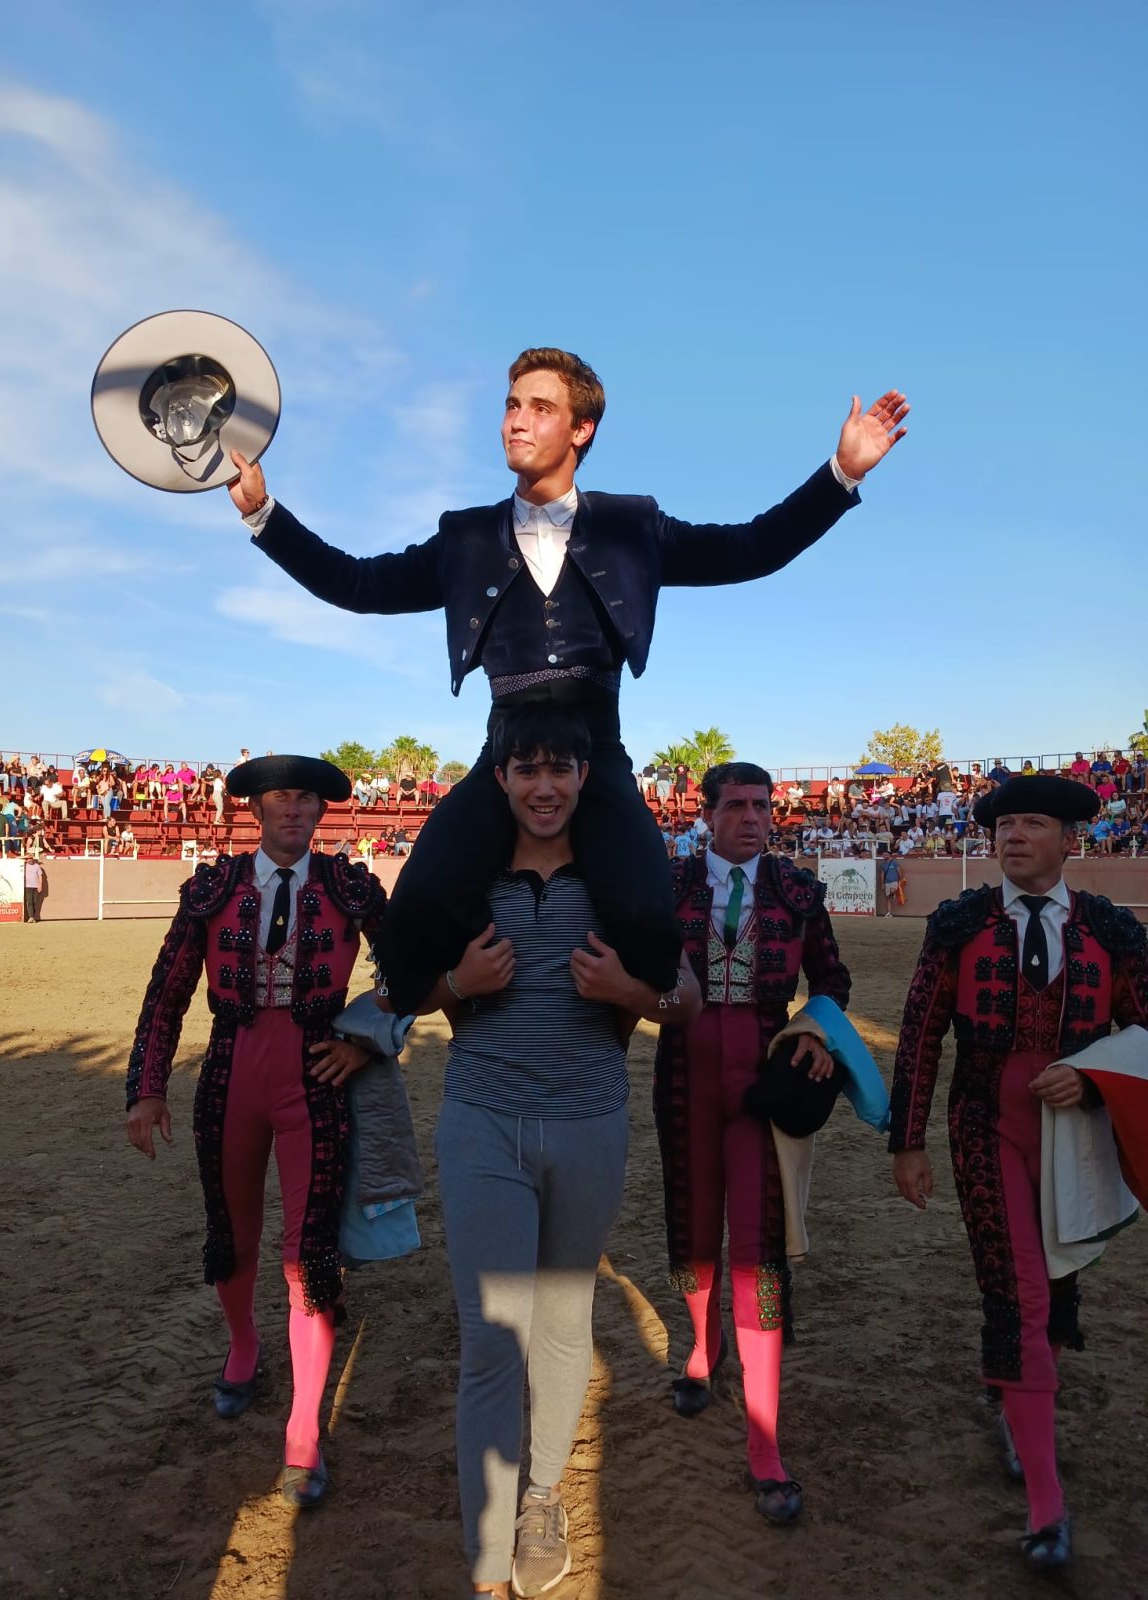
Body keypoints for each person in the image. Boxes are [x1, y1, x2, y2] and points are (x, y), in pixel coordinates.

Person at [228, 348, 908, 1016]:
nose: (516, 420)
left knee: (645, 914)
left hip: (596, 748)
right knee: (417, 907)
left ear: (581, 429)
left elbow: (749, 547)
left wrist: (840, 475)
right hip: (505, 750)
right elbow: (356, 583)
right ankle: (430, 1017)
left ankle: (614, 1027)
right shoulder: (465, 536)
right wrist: (264, 514)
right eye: (511, 405)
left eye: (540, 407)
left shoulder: (632, 524)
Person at [427, 705, 700, 1597]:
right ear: (500, 778)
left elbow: (687, 1000)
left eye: (559, 769)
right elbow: (409, 980)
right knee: (491, 1336)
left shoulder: (619, 876)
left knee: (562, 1319)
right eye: (526, 769)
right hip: (483, 1123)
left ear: (586, 776)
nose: (543, 787)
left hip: (588, 1124)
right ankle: (487, 1545)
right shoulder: (469, 873)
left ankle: (541, 1498)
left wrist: (630, 991)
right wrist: (456, 982)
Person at [124, 755, 403, 1509]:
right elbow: (167, 992)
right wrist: (146, 1087)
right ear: (254, 808)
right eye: (280, 796)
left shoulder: (350, 887)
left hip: (317, 1076)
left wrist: (367, 1041)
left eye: (307, 798)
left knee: (308, 1249)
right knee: (232, 1229)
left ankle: (304, 1428)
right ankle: (244, 1345)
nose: (294, 809)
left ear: (320, 811)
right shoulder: (212, 890)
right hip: (230, 1072)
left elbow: (410, 972)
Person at [888, 775, 1148, 1571]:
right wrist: (908, 1142)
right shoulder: (959, 923)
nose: (1013, 836)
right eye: (1004, 824)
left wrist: (1094, 1078)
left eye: (1033, 823)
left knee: (1057, 1290)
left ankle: (1016, 1401)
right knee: (1019, 1292)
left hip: (1076, 1136)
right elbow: (921, 1033)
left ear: (1071, 840)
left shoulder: (1111, 929)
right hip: (985, 1123)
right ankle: (1046, 1502)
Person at [653, 762, 853, 1526]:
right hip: (684, 1076)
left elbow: (832, 981)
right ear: (705, 815)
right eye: (735, 806)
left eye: (761, 806)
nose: (751, 818)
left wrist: (815, 1035)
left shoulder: (798, 891)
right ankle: (702, 1348)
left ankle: (764, 1441)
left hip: (762, 1084)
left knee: (759, 1250)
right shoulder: (666, 885)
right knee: (693, 1229)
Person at [24, 855, 45, 923]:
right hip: (27, 886)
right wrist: (25, 856)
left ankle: (34, 917)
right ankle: (31, 917)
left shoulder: (37, 866)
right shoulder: (24, 865)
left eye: (30, 858)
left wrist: (40, 885)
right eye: (28, 859)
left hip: (35, 886)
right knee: (29, 902)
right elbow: (15, 858)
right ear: (26, 859)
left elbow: (40, 876)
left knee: (35, 902)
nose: (29, 860)